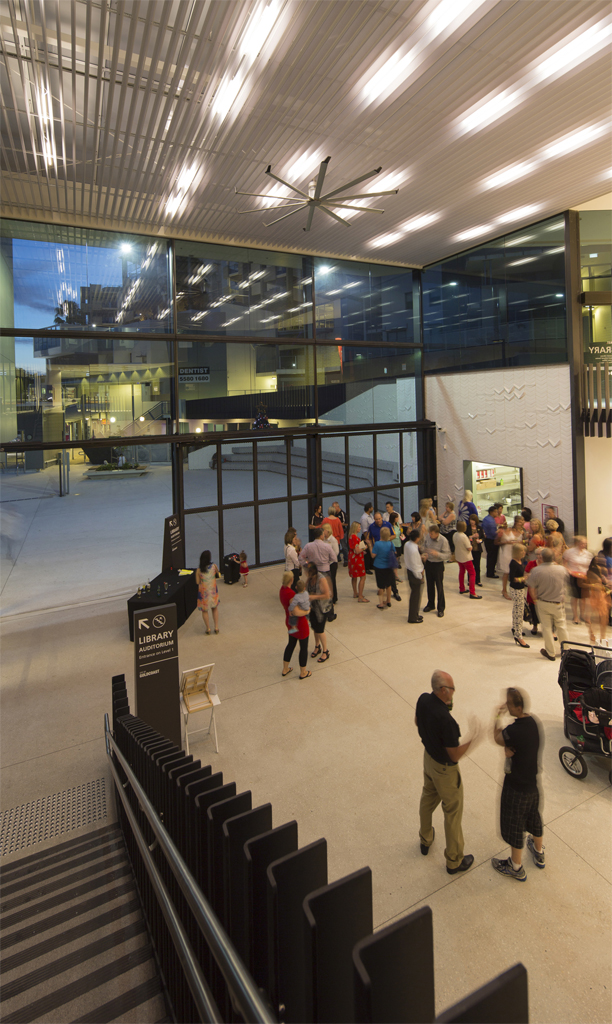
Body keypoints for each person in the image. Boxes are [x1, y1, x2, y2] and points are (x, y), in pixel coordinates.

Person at [416, 670, 480, 874]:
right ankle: (454, 860)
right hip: (445, 771)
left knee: (427, 797)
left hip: (429, 760)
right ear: (443, 690)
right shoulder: (447, 721)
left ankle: (425, 838)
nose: (453, 692)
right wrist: (473, 738)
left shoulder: (423, 700)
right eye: (452, 689)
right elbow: (454, 755)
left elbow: (417, 721)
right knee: (452, 812)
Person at [491, 688, 544, 880]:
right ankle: (538, 852)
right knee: (534, 818)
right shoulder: (534, 722)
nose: (506, 706)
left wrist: (497, 716)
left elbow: (496, 737)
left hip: (516, 788)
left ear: (518, 708)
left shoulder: (514, 731)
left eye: (509, 704)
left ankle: (516, 867)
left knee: (515, 825)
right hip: (532, 785)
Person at [528, 548, 570, 660]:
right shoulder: (562, 569)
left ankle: (550, 652)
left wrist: (535, 600)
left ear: (542, 557)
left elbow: (531, 588)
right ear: (553, 558)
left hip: (543, 602)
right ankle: (566, 651)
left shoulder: (536, 570)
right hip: (558, 602)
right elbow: (565, 584)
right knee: (561, 626)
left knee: (546, 627)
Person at [279, 571, 311, 679]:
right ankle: (303, 672)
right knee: (303, 647)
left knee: (291, 644)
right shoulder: (291, 594)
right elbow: (296, 612)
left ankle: (285, 668)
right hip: (300, 624)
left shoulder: (282, 590)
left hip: (289, 622)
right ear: (292, 580)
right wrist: (307, 611)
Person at [368, 513, 401, 601]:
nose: (378, 521)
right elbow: (369, 538)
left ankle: (395, 591)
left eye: (379, 519)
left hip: (386, 552)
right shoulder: (371, 527)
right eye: (376, 519)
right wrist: (372, 546)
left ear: (382, 518)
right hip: (378, 552)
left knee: (391, 575)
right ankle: (382, 590)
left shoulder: (388, 524)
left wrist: (385, 540)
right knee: (380, 575)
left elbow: (394, 535)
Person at [305, 561, 332, 663]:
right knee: (314, 628)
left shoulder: (321, 579)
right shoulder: (310, 579)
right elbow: (306, 589)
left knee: (320, 630)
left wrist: (314, 596)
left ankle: (325, 651)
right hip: (313, 608)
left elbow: (327, 595)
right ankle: (317, 646)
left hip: (322, 608)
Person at [421, 525, 451, 617]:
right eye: (429, 533)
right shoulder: (428, 537)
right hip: (429, 563)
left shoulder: (443, 540)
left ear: (437, 534)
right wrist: (424, 552)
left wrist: (437, 554)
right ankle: (430, 604)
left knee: (439, 586)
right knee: (430, 585)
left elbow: (447, 555)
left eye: (432, 534)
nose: (430, 535)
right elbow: (424, 546)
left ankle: (441, 608)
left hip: (438, 565)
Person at [563, 535, 592, 624]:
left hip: (584, 575)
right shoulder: (569, 552)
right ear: (577, 543)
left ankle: (582, 615)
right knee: (575, 596)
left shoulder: (588, 554)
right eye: (582, 543)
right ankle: (575, 616)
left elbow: (590, 565)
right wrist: (569, 571)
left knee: (584, 597)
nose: (584, 545)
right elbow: (564, 563)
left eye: (585, 544)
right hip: (573, 575)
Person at [582, 557, 611, 646]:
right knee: (591, 618)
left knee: (604, 618)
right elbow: (581, 584)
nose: (602, 566)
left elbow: (603, 584)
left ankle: (602, 637)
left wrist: (606, 586)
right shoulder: (588, 573)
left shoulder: (601, 572)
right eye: (600, 563)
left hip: (602, 596)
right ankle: (592, 633)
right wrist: (593, 585)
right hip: (593, 596)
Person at [369, 525, 396, 609]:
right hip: (389, 566)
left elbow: (373, 555)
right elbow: (394, 552)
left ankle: (381, 603)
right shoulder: (391, 543)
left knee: (380, 586)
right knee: (388, 584)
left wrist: (370, 546)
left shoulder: (377, 544)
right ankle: (388, 600)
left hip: (379, 566)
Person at [453, 521, 481, 599]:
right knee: (472, 573)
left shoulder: (455, 534)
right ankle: (472, 592)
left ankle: (462, 588)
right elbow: (469, 548)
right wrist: (471, 543)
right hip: (466, 557)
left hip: (458, 556)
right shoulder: (463, 536)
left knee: (462, 572)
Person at [509, 543, 529, 648]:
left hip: (521, 589)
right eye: (522, 551)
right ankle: (518, 635)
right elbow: (512, 579)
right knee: (519, 612)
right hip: (516, 590)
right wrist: (523, 578)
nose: (524, 553)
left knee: (518, 610)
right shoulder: (513, 563)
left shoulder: (520, 561)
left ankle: (515, 628)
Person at [196, 549, 220, 635]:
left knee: (204, 610)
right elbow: (218, 575)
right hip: (213, 592)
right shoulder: (214, 566)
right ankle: (216, 627)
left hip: (204, 593)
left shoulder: (199, 570)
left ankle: (208, 628)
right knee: (215, 608)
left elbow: (197, 582)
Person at [496, 521, 519, 600]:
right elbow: (496, 542)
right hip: (506, 553)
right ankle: (504, 590)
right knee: (506, 572)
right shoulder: (502, 532)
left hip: (514, 553)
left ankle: (514, 589)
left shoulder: (515, 532)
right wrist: (506, 542)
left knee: (515, 572)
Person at [404, 528, 424, 623]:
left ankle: (415, 614)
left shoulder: (407, 544)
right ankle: (412, 617)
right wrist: (420, 576)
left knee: (415, 595)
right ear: (417, 538)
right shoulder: (414, 550)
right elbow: (416, 565)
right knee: (415, 596)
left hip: (409, 570)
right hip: (415, 573)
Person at [348, 521, 369, 602]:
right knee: (363, 576)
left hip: (352, 558)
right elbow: (357, 551)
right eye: (359, 527)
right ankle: (360, 596)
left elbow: (353, 549)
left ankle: (355, 593)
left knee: (354, 576)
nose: (360, 528)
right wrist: (364, 548)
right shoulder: (355, 538)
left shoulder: (351, 536)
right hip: (357, 559)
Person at [321, 522, 340, 604]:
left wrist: (328, 558)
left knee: (331, 580)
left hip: (332, 563)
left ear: (327, 530)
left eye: (323, 530)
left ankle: (334, 598)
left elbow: (336, 552)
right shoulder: (323, 540)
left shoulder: (333, 540)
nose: (322, 532)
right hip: (325, 563)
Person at [482, 505, 499, 579]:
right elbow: (493, 533)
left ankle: (490, 569)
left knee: (489, 556)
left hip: (487, 540)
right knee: (492, 557)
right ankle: (490, 572)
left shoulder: (486, 518)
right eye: (496, 512)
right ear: (492, 512)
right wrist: (499, 531)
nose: (497, 513)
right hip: (492, 540)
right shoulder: (491, 521)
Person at [468, 513, 484, 586]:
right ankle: (470, 580)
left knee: (477, 566)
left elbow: (483, 537)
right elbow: (465, 537)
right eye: (471, 520)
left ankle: (478, 580)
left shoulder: (479, 528)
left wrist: (480, 540)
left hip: (477, 549)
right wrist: (472, 536)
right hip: (470, 549)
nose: (472, 522)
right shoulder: (468, 528)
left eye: (473, 520)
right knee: (470, 566)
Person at [332, 501, 349, 565]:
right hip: (336, 532)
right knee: (336, 545)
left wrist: (338, 523)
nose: (333, 509)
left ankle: (346, 559)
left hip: (342, 532)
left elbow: (346, 523)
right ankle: (338, 558)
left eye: (334, 507)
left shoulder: (342, 514)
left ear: (337, 507)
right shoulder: (334, 514)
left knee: (344, 546)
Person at [360, 503, 375, 573]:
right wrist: (367, 539)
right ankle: (366, 568)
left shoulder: (371, 516)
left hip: (371, 536)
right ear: (369, 509)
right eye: (372, 507)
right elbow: (365, 530)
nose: (372, 508)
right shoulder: (364, 518)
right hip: (366, 537)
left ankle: (371, 565)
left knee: (371, 551)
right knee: (366, 553)